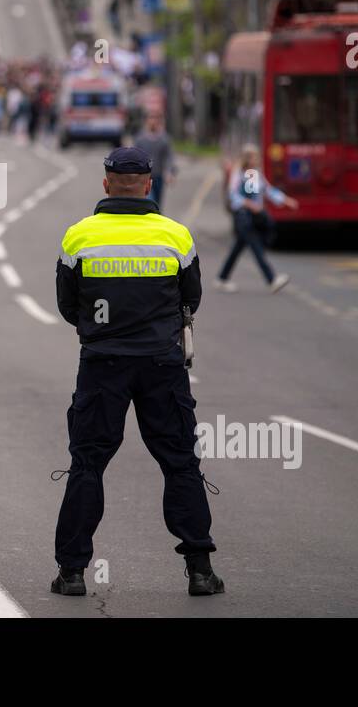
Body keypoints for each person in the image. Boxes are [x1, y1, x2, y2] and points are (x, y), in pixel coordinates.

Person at [51, 146, 222, 599]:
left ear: (106, 184)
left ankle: (71, 573)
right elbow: (192, 299)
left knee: (87, 465)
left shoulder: (79, 237)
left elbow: (68, 307)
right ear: (149, 183)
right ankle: (200, 570)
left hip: (102, 365)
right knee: (180, 463)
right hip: (162, 365)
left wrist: (103, 329)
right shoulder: (176, 237)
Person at [215, 144, 298, 293]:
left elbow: (267, 190)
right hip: (242, 217)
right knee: (255, 246)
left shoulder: (254, 174)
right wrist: (249, 204)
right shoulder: (239, 174)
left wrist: (286, 200)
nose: (257, 160)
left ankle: (222, 277)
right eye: (254, 157)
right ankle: (271, 279)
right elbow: (233, 196)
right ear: (247, 159)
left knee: (238, 248)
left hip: (253, 217)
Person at [132, 113, 175, 208]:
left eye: (156, 119)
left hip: (158, 175)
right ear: (146, 121)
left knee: (158, 202)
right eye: (151, 119)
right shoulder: (140, 139)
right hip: (145, 177)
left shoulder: (164, 139)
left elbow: (169, 157)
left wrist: (169, 172)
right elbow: (135, 155)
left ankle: (156, 217)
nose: (153, 122)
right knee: (150, 200)